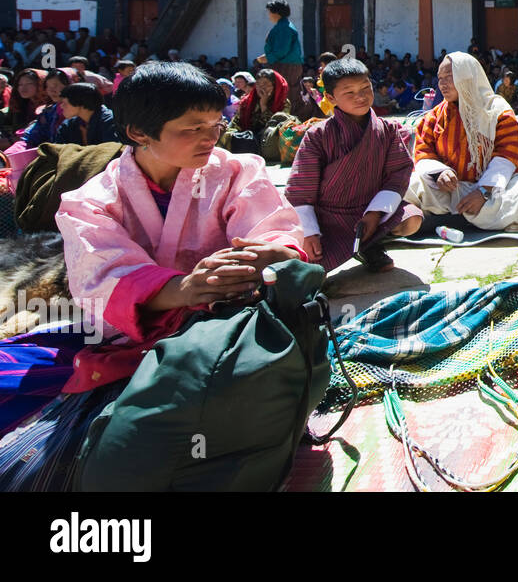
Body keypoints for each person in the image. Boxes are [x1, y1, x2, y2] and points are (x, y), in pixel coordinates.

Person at [0, 62, 304, 491]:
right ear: (139, 132)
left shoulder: (237, 172)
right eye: (192, 128)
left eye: (215, 125)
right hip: (126, 332)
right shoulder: (90, 201)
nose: (210, 138)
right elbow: (100, 275)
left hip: (219, 328)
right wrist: (182, 288)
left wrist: (273, 252)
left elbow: (273, 228)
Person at [285, 58, 423, 273]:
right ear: (331, 98)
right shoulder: (318, 135)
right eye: (349, 92)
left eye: (365, 88)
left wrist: (376, 213)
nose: (360, 97)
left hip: (369, 210)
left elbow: (398, 174)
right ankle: (362, 247)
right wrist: (310, 232)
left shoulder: (388, 130)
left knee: (411, 219)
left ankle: (370, 246)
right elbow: (301, 188)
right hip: (330, 218)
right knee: (310, 272)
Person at [405, 52, 518, 232]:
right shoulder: (434, 117)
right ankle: (478, 220)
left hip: (493, 190)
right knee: (408, 184)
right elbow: (422, 153)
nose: (442, 84)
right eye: (440, 79)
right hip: (452, 190)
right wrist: (439, 173)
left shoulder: (498, 112)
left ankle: (449, 220)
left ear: (467, 77)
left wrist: (483, 192)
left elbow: (508, 154)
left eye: (449, 77)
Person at [256, 0, 304, 92]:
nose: (269, 15)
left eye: (269, 12)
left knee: (285, 94)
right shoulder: (283, 25)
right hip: (287, 64)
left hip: (286, 66)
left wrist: (268, 58)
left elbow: (281, 50)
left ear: (276, 12)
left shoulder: (284, 27)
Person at [53, 82, 118, 146]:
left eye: (65, 103)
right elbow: (58, 150)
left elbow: (111, 150)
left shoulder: (110, 122)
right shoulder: (68, 125)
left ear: (79, 103)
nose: (61, 106)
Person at [234, 68, 289, 135]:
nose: (261, 87)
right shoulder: (247, 101)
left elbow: (275, 127)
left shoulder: (283, 103)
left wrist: (263, 105)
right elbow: (236, 122)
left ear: (275, 86)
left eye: (265, 83)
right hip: (247, 139)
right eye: (258, 83)